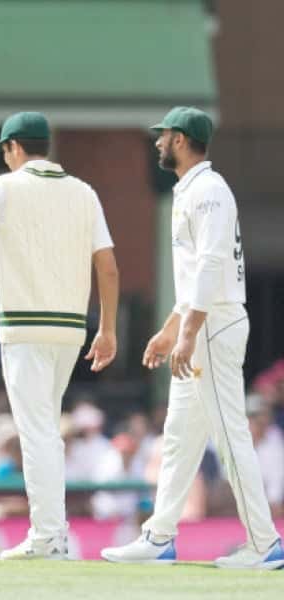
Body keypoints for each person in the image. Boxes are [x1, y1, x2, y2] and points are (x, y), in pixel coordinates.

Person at [0, 113, 119, 560]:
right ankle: (51, 533)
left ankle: (50, 536)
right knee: (44, 428)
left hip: (26, 328)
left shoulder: (5, 187)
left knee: (39, 433)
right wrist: (106, 327)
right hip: (70, 330)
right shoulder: (83, 191)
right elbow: (107, 265)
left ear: (13, 148)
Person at [101, 107, 284, 569]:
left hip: (215, 325)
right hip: (205, 322)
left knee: (230, 434)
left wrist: (189, 332)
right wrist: (170, 330)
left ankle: (264, 544)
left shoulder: (209, 190)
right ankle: (160, 535)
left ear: (180, 140)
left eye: (163, 137)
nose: (158, 143)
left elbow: (210, 265)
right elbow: (191, 277)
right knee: (180, 436)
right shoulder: (192, 190)